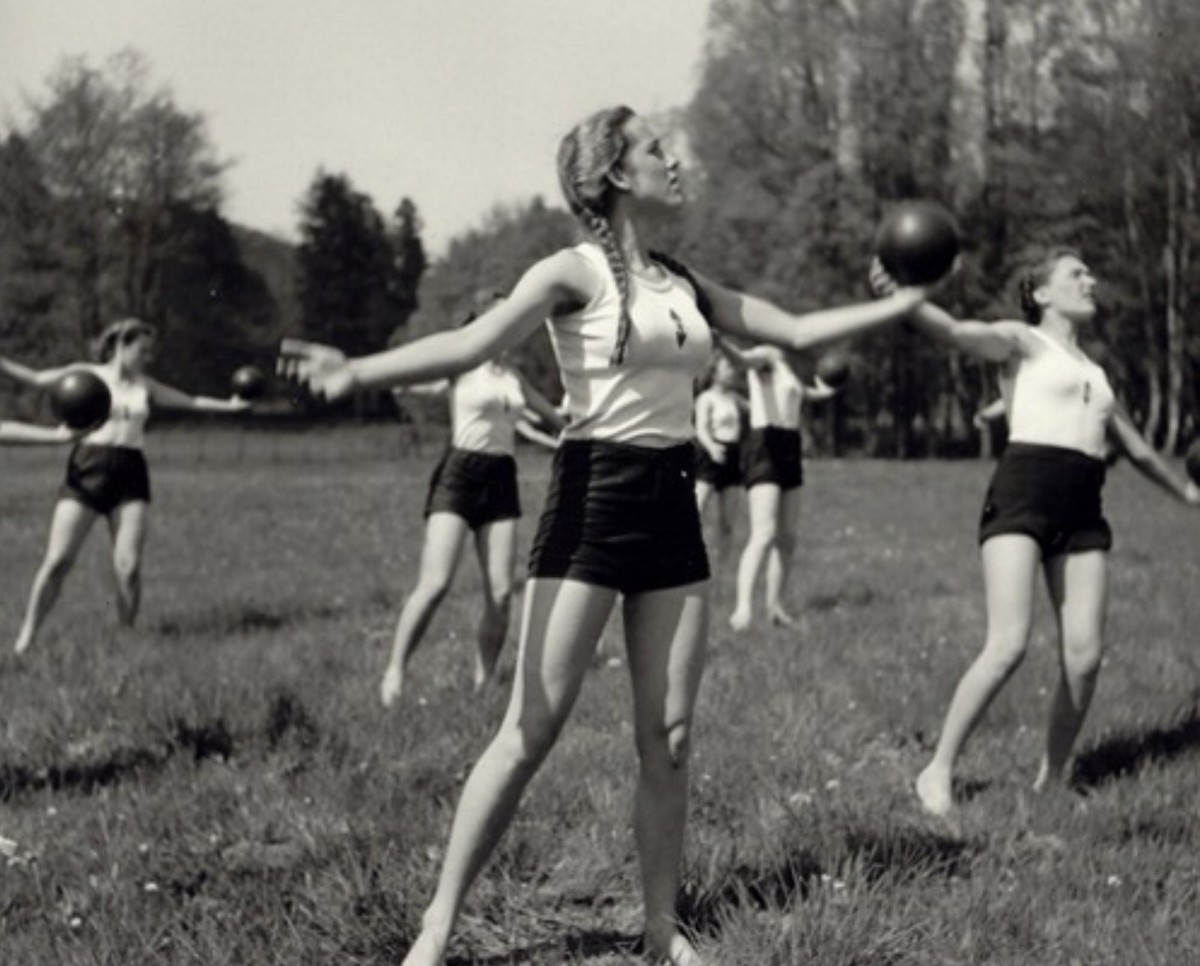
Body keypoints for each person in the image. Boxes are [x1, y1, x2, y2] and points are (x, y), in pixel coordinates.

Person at [280, 106, 926, 966]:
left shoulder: (686, 284)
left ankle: (661, 929)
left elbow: (799, 333)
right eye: (657, 147)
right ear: (618, 173)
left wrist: (909, 304)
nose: (674, 157)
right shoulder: (571, 272)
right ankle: (437, 923)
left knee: (670, 736)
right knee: (531, 730)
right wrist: (355, 369)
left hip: (672, 497)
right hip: (592, 498)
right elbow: (474, 342)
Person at [871, 249, 1200, 817]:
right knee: (1008, 644)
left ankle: (1052, 779)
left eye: (1090, 272)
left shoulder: (1096, 375)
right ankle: (938, 768)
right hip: (1023, 494)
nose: (1090, 280)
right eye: (1077, 274)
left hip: (1084, 508)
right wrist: (904, 299)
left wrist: (1189, 494)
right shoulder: (1021, 342)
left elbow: (1139, 449)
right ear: (1042, 294)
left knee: (1085, 655)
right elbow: (955, 332)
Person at [1, 318, 251, 654]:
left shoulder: (144, 386)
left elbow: (190, 401)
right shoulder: (86, 374)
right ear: (122, 345)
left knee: (128, 566)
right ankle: (27, 637)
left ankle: (126, 638)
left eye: (151, 351)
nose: (148, 357)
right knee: (59, 560)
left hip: (130, 472)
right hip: (88, 466)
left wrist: (231, 406)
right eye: (142, 350)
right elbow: (34, 379)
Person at [380, 292, 565, 709]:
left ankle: (484, 683)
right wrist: (393, 376)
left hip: (501, 478)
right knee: (435, 584)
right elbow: (411, 377)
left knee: (500, 594)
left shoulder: (514, 378)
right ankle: (395, 670)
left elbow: (556, 418)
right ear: (482, 322)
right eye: (499, 316)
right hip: (458, 476)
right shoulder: (460, 367)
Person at [719, 341, 839, 630]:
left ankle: (775, 607)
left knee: (787, 537)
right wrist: (721, 341)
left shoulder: (789, 367)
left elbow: (803, 394)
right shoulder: (766, 356)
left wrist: (831, 388)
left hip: (790, 446)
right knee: (764, 533)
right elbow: (741, 360)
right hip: (765, 445)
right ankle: (743, 609)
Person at [692, 351, 748, 562]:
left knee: (728, 521)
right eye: (728, 367)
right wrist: (712, 448)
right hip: (709, 455)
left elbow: (757, 408)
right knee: (695, 513)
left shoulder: (734, 398)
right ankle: (688, 561)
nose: (732, 372)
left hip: (732, 455)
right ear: (715, 372)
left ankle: (720, 568)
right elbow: (701, 428)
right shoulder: (706, 398)